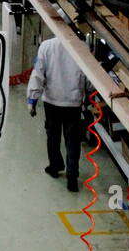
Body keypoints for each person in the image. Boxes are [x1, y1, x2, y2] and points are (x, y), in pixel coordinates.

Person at [27, 35, 90, 192]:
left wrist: (32, 100)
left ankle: (55, 167)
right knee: (72, 140)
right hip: (74, 103)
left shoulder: (46, 46)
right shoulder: (83, 47)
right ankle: (72, 177)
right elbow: (88, 77)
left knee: (53, 136)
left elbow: (38, 74)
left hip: (52, 102)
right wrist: (88, 91)